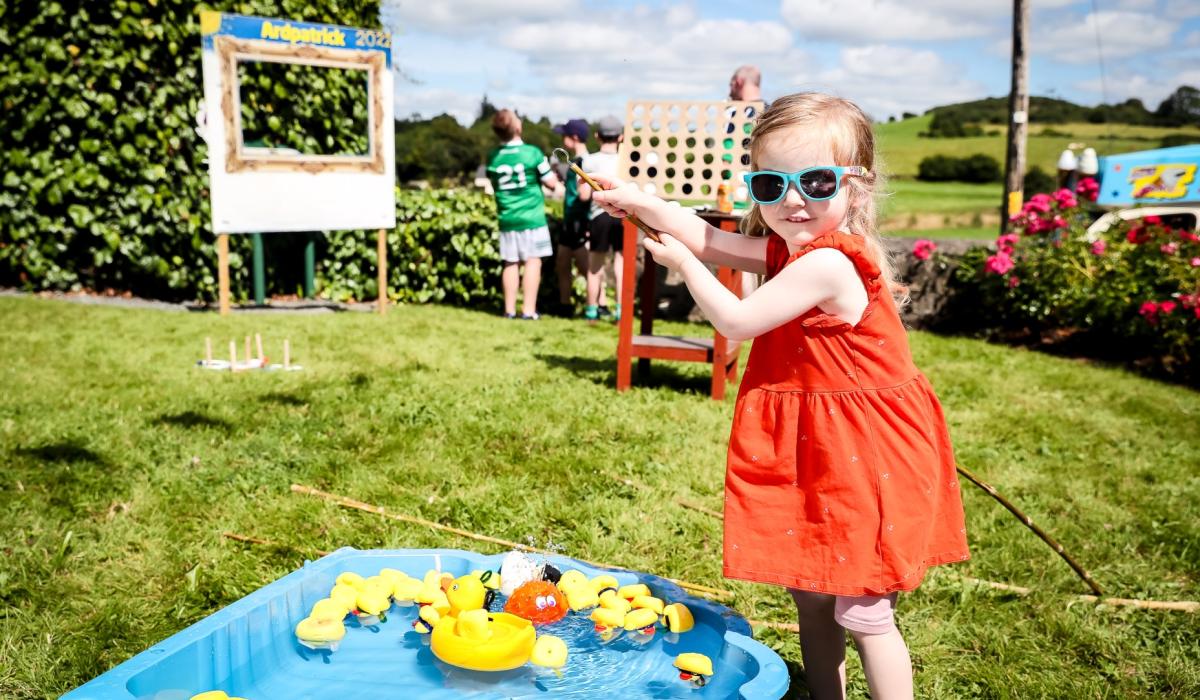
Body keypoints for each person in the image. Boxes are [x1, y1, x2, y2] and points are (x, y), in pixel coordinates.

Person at [592, 92, 969, 700]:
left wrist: (688, 269)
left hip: (866, 456)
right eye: (770, 184)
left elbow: (737, 321)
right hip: (823, 447)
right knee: (813, 593)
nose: (792, 200)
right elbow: (712, 239)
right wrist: (640, 202)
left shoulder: (831, 264)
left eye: (816, 181)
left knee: (866, 612)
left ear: (857, 187)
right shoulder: (796, 248)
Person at [485, 109, 560, 319]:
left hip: (507, 217)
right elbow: (551, 184)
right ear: (518, 128)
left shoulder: (493, 157)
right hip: (532, 217)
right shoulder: (532, 153)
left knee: (510, 262)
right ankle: (528, 310)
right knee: (532, 261)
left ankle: (508, 310)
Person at [577, 115, 625, 322]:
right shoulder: (626, 160)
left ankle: (591, 309)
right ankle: (620, 310)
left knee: (595, 266)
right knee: (621, 264)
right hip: (624, 215)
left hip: (599, 216)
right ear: (621, 137)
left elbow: (584, 196)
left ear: (597, 137)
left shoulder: (590, 160)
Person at [550, 118, 592, 315]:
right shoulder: (575, 161)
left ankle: (598, 303)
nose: (562, 138)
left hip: (579, 218)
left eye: (564, 135)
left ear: (574, 137)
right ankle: (564, 305)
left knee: (585, 266)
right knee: (562, 262)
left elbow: (584, 194)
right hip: (569, 218)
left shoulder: (585, 162)